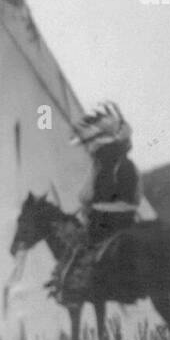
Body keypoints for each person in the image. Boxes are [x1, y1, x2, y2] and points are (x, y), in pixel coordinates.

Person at [58, 102, 142, 295]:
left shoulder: (100, 167)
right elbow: (136, 197)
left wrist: (91, 206)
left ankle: (72, 287)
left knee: (77, 247)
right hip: (129, 220)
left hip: (102, 222)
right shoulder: (129, 166)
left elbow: (84, 196)